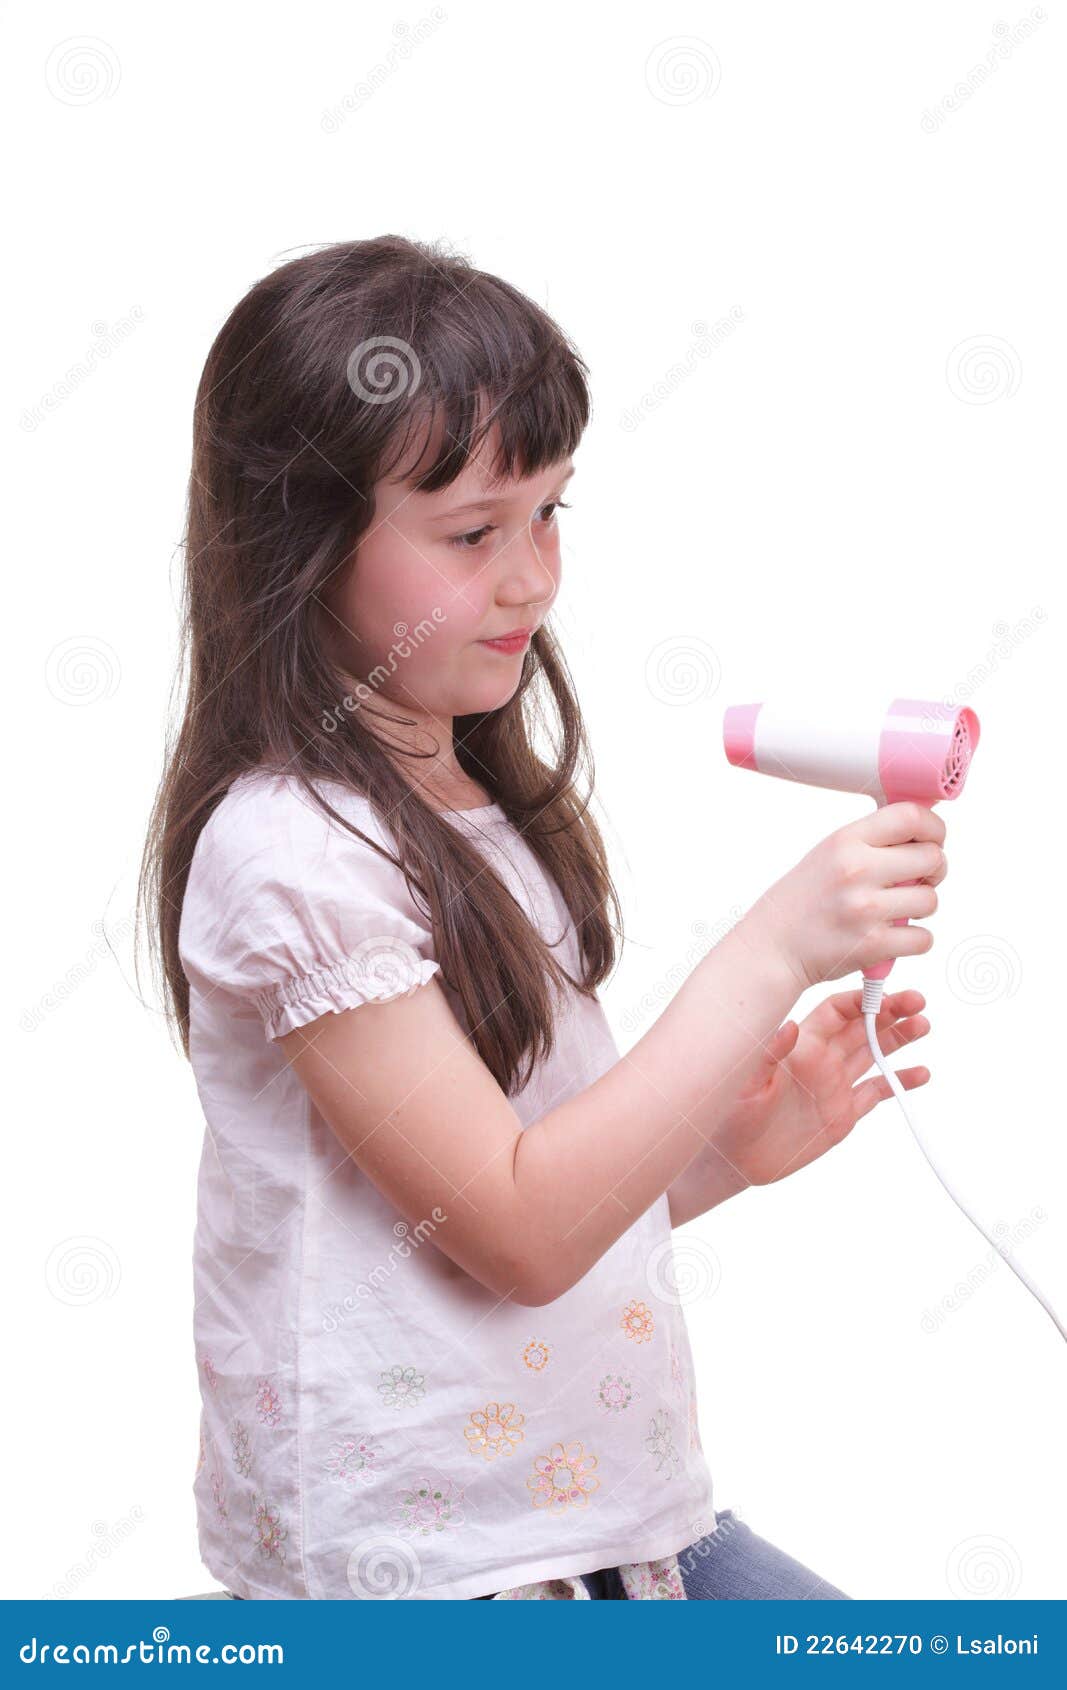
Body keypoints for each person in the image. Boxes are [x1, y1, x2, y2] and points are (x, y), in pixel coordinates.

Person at [141, 236, 945, 1601]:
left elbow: (508, 1190)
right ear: (300, 541)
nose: (531, 579)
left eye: (551, 512)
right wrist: (768, 953)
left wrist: (725, 1153)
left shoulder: (470, 793)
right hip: (436, 1573)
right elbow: (514, 1230)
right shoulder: (291, 855)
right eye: (473, 533)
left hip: (606, 1523)